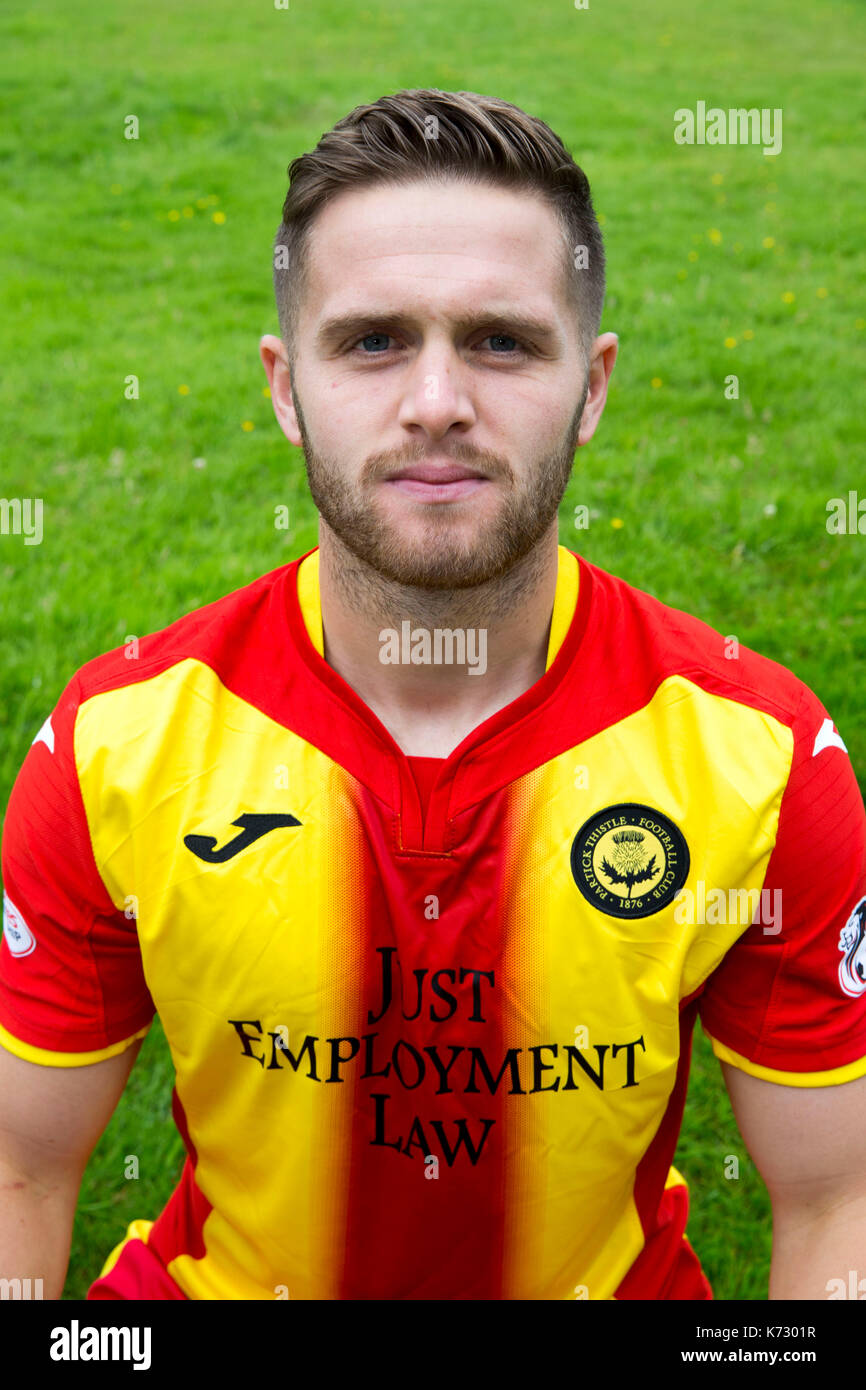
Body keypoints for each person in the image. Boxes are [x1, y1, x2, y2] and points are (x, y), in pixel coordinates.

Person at [1, 88, 864, 1302]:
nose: (435, 404)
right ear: (284, 386)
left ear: (594, 385)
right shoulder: (119, 746)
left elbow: (836, 1199)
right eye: (371, 342)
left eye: (502, 342)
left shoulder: (759, 757)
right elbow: (20, 1170)